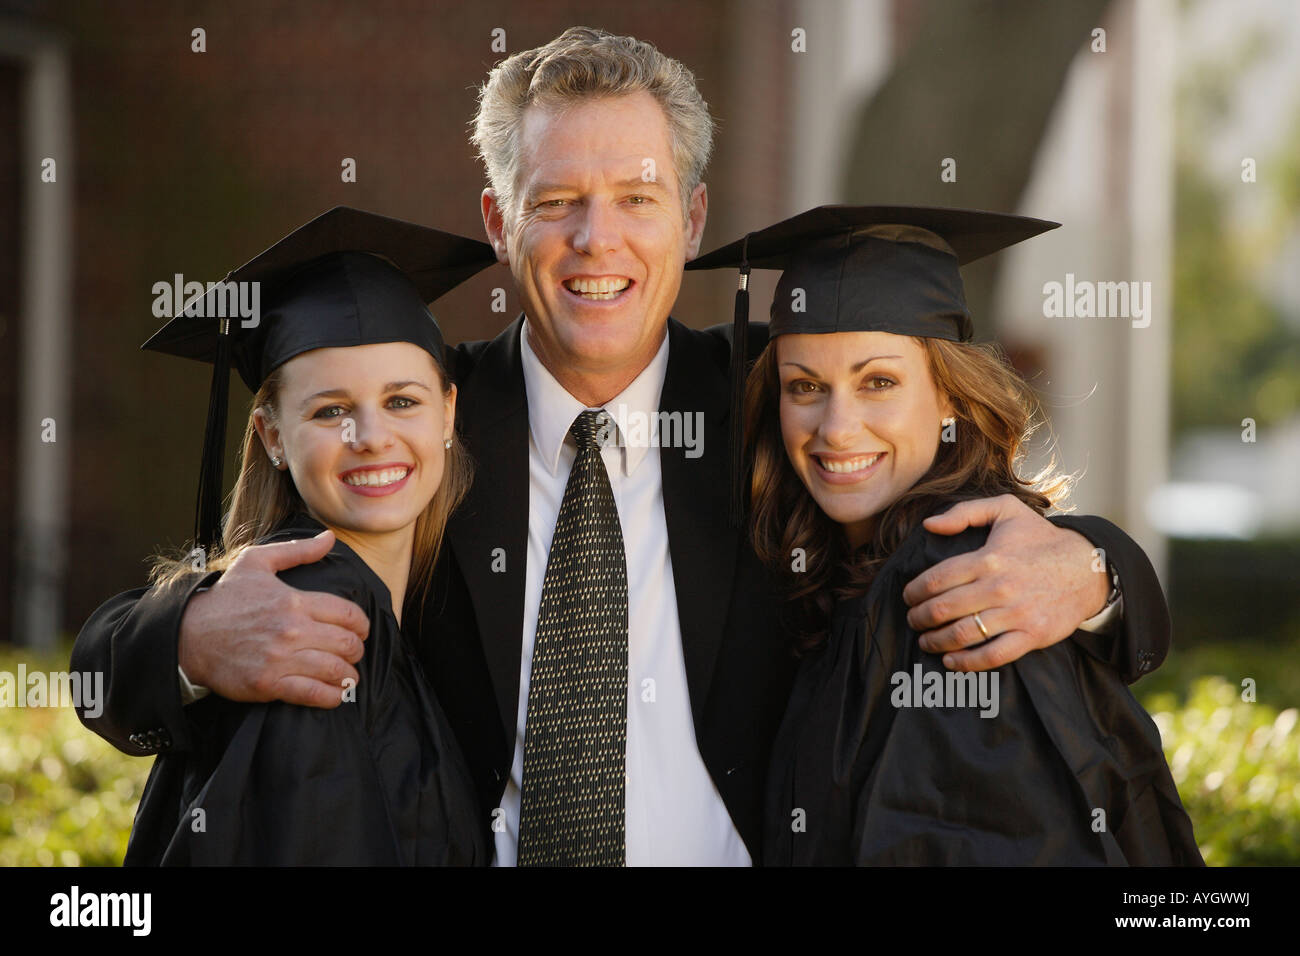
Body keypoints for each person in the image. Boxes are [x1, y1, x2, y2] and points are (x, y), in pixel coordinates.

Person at [74, 28, 1169, 866]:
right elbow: (108, 666)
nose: (597, 241)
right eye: (556, 202)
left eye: (633, 198)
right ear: (500, 227)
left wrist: (1096, 567)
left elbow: (956, 499)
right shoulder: (411, 426)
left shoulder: (779, 408)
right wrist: (191, 635)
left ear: (690, 222)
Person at [691, 204, 1202, 865]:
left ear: (952, 398)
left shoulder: (971, 588)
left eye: (879, 382)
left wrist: (1099, 563)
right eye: (805, 386)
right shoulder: (832, 572)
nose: (836, 426)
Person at [120, 206, 496, 865]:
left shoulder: (391, 614)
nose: (372, 436)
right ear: (272, 437)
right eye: (330, 410)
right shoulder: (305, 630)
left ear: (448, 413)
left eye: (402, 400)